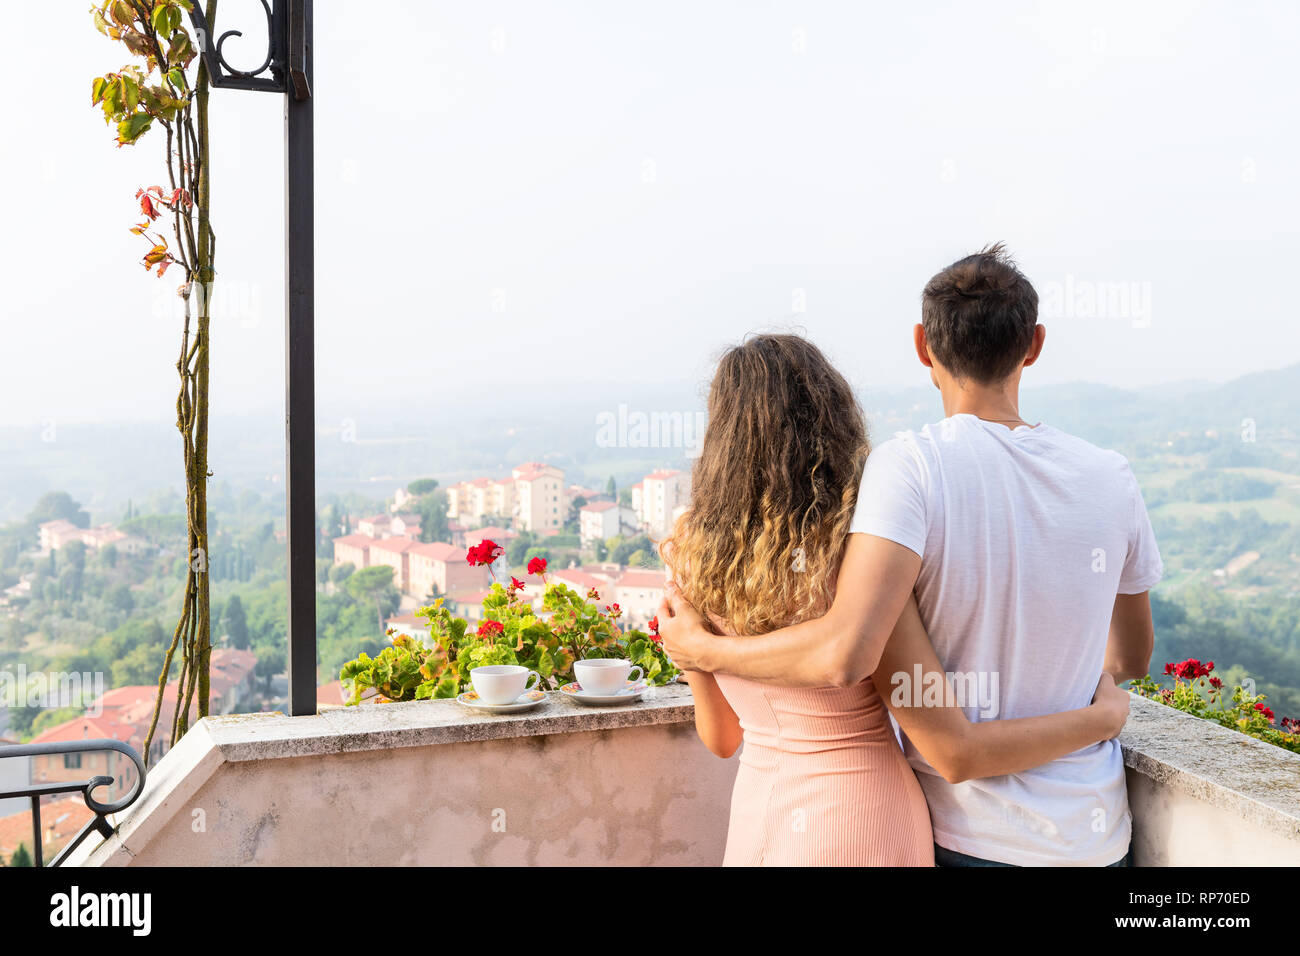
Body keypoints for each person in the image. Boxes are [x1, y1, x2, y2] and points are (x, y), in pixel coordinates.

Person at [660, 322, 1143, 866]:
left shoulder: (691, 556)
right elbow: (920, 710)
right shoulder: (855, 554)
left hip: (758, 811)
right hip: (866, 812)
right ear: (833, 418)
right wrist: (1100, 718)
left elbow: (722, 736)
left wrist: (702, 653)